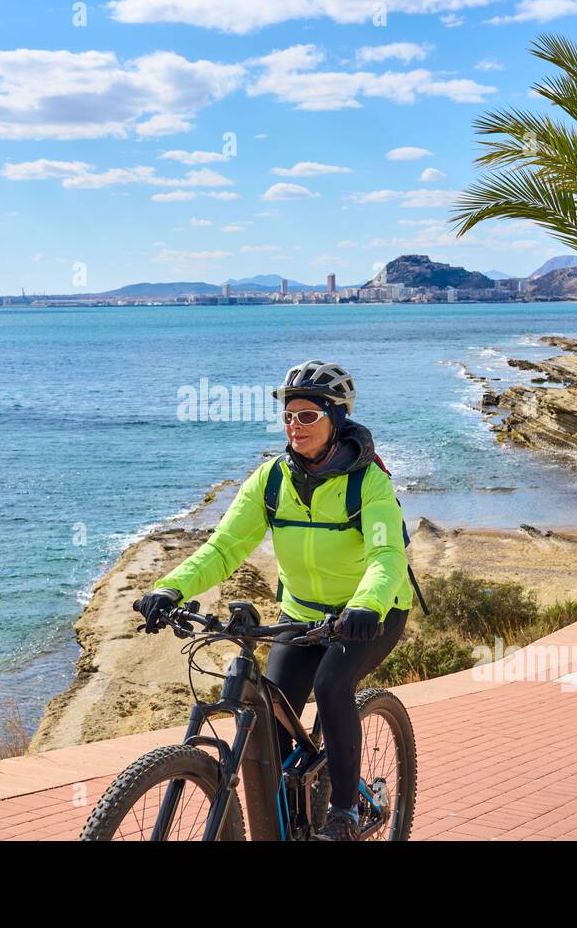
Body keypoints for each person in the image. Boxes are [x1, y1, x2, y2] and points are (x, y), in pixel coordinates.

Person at [137, 359, 412, 841]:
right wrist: (170, 586)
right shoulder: (270, 480)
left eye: (309, 415)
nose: (295, 425)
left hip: (372, 614)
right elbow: (223, 547)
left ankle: (345, 812)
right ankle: (295, 822)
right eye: (289, 415)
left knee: (331, 686)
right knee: (273, 717)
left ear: (337, 419)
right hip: (302, 617)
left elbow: (387, 555)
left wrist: (367, 604)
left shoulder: (368, 483)